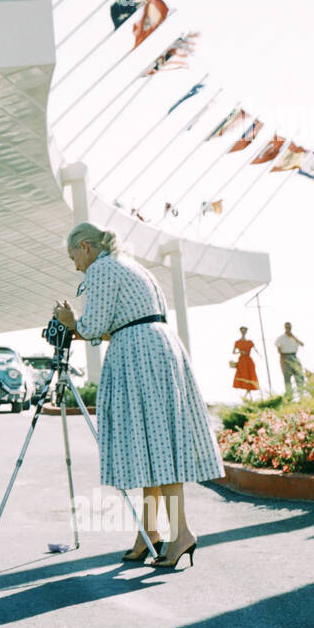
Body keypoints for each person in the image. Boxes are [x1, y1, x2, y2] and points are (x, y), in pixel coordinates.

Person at [52, 222, 223, 570]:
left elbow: (95, 325)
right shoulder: (131, 266)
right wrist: (84, 327)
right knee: (153, 447)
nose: (76, 267)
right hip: (157, 348)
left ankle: (181, 534)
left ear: (86, 247)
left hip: (139, 357)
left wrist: (70, 320)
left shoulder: (101, 269)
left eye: (74, 257)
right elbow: (119, 322)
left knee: (158, 448)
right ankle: (149, 534)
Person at [276, 322, 305, 400]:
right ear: (284, 328)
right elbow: (278, 349)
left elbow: (302, 344)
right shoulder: (281, 338)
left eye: (289, 327)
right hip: (285, 356)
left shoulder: (294, 337)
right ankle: (289, 396)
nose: (288, 329)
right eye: (287, 327)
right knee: (287, 378)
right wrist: (283, 359)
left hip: (294, 356)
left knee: (299, 376)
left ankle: (301, 395)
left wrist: (294, 337)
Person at [231, 326, 260, 401]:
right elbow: (233, 352)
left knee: (250, 376)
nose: (243, 332)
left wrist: (260, 355)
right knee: (243, 376)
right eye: (242, 331)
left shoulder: (250, 342)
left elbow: (256, 350)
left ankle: (248, 395)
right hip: (242, 360)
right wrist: (240, 352)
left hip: (248, 360)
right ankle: (247, 395)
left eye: (244, 331)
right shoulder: (237, 342)